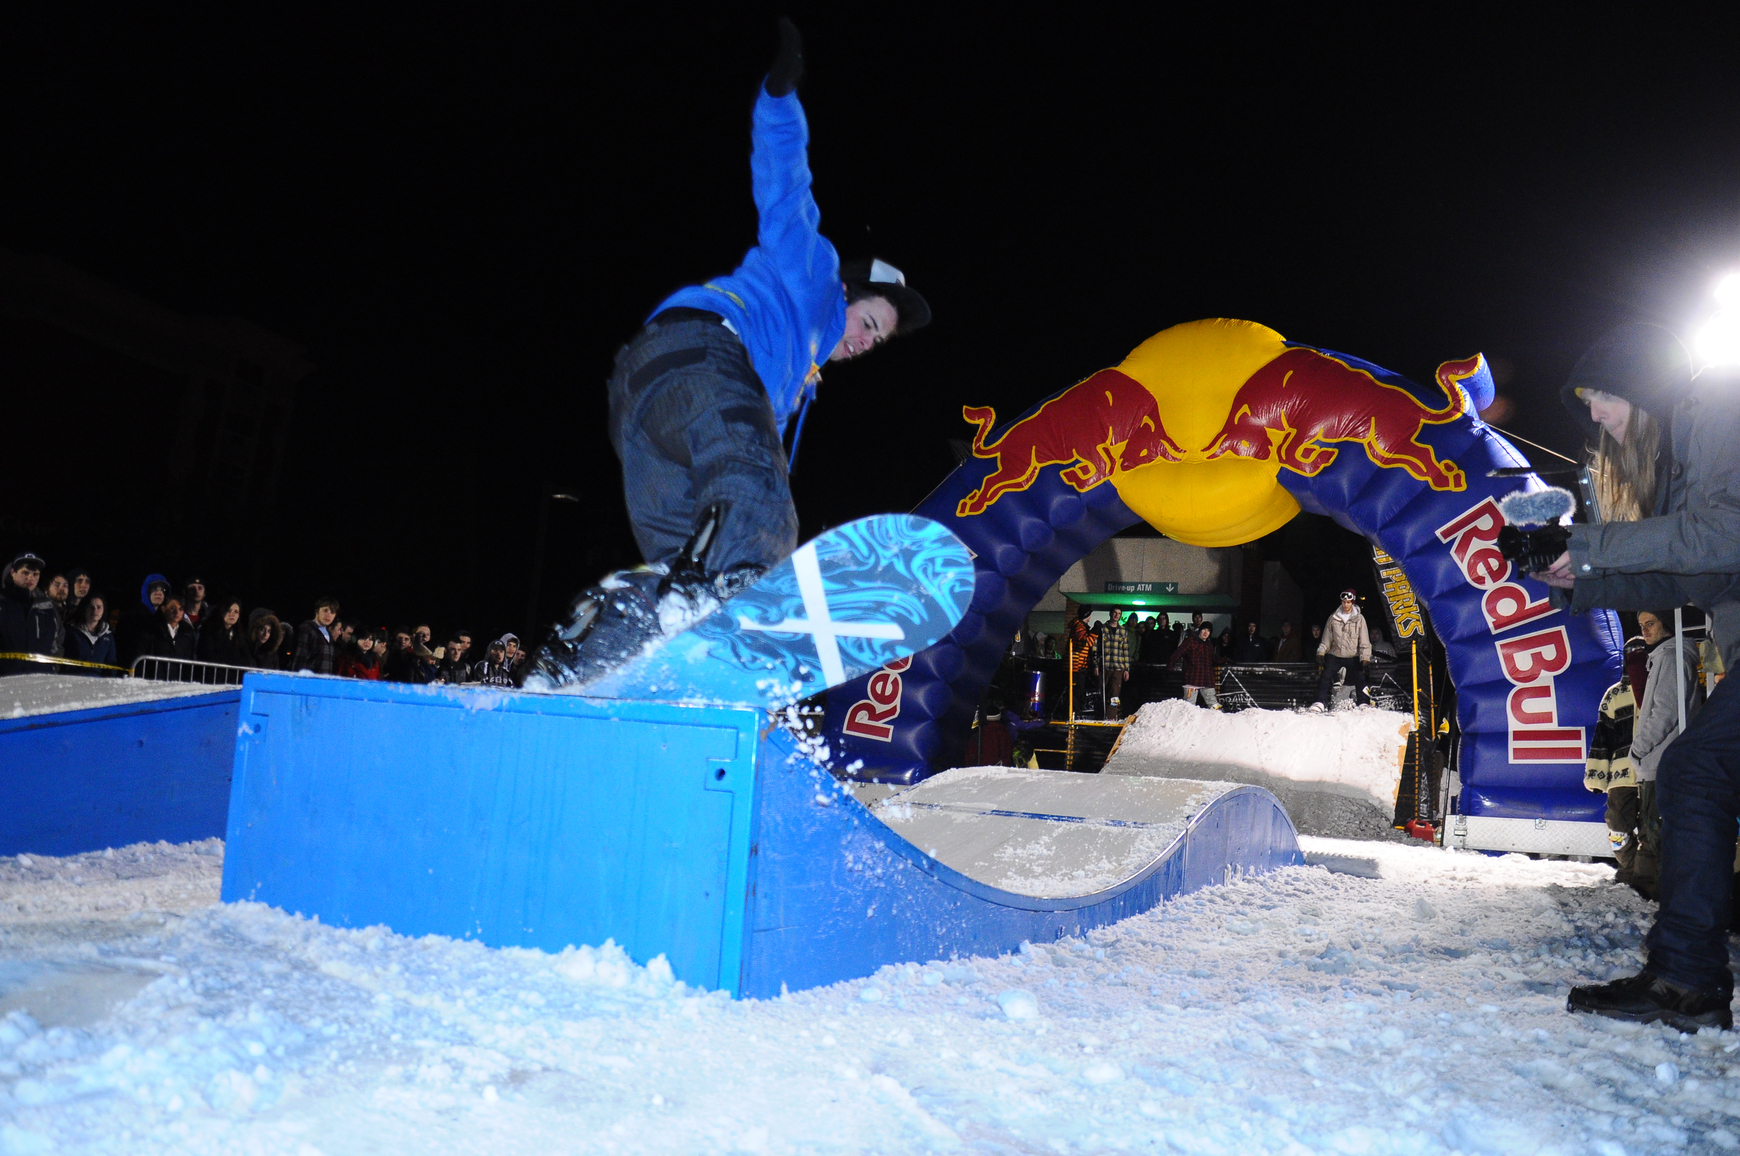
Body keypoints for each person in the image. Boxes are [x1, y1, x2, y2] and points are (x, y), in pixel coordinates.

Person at [558, 18, 932, 678]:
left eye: (876, 343)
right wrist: (780, 95)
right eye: (869, 323)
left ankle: (593, 655)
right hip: (701, 357)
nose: (865, 343)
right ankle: (726, 602)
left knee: (685, 566)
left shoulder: (792, 379)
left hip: (643, 409)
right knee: (758, 509)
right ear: (849, 292)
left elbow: (762, 440)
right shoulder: (812, 269)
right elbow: (785, 186)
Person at [1500, 323, 1740, 1030]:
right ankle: (1685, 975)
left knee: (1694, 771)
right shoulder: (1684, 446)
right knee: (1695, 773)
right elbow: (1703, 574)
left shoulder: (1718, 401)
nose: (1597, 415)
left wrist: (1589, 545)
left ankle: (1687, 978)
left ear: (1645, 384)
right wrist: (1574, 574)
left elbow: (1725, 534)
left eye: (1603, 395)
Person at [1622, 609, 1703, 900]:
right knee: (1659, 838)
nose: (1644, 630)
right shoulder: (1665, 656)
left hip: (1662, 762)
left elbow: (1665, 711)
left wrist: (1638, 750)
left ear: (1667, 623)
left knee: (1662, 838)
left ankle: (1674, 905)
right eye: (1641, 625)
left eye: (1651, 623)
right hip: (1660, 761)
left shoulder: (1670, 657)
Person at [0, 553, 61, 674]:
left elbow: (57, 641)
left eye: (35, 574)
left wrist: (53, 667)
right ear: (13, 572)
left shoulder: (46, 607)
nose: (30, 578)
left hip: (40, 681)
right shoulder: (2, 604)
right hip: (7, 680)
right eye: (25, 573)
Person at [1310, 590, 1371, 711]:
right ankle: (1320, 702)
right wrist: (1321, 651)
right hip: (1336, 654)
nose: (1346, 605)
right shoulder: (1334, 618)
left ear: (1352, 603)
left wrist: (1365, 658)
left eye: (1348, 602)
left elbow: (1364, 640)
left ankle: (1363, 703)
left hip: (1352, 654)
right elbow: (1326, 638)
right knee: (1326, 676)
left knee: (1360, 677)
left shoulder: (1359, 619)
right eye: (1344, 602)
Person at [123, 574, 172, 665]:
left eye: (163, 590)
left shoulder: (166, 619)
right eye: (154, 588)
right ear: (146, 590)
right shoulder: (132, 616)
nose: (159, 592)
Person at [1170, 623, 1219, 708]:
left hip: (1206, 680)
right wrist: (1170, 665)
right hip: (1192, 679)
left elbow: (1213, 659)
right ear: (1200, 630)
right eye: (1204, 629)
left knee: (1214, 704)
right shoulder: (1191, 641)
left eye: (1208, 630)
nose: (1205, 632)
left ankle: (1220, 720)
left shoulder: (1209, 645)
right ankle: (1187, 721)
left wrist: (1225, 660)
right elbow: (1178, 653)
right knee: (1189, 706)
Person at [63, 595, 116, 674]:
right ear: (84, 609)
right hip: (73, 680)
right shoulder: (72, 632)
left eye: (99, 607)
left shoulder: (108, 636)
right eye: (91, 607)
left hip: (96, 682)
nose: (95, 610)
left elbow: (111, 664)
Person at [292, 598, 341, 674]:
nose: (328, 615)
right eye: (325, 610)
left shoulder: (328, 634)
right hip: (309, 681)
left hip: (323, 682)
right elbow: (300, 659)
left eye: (332, 612)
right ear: (317, 611)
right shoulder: (306, 629)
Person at [198, 600, 251, 667]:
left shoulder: (239, 634)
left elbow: (246, 659)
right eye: (229, 611)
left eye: (236, 612)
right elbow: (207, 655)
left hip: (232, 675)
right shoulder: (209, 630)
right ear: (222, 611)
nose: (232, 614)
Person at [1102, 609, 1132, 716]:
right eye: (1115, 613)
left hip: (1118, 667)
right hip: (1104, 666)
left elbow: (1126, 651)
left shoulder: (1123, 631)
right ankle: (1101, 714)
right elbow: (1095, 647)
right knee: (1103, 692)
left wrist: (1126, 669)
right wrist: (1096, 665)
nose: (1116, 615)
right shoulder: (1103, 629)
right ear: (1110, 613)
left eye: (1119, 614)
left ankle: (1112, 715)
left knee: (1115, 694)